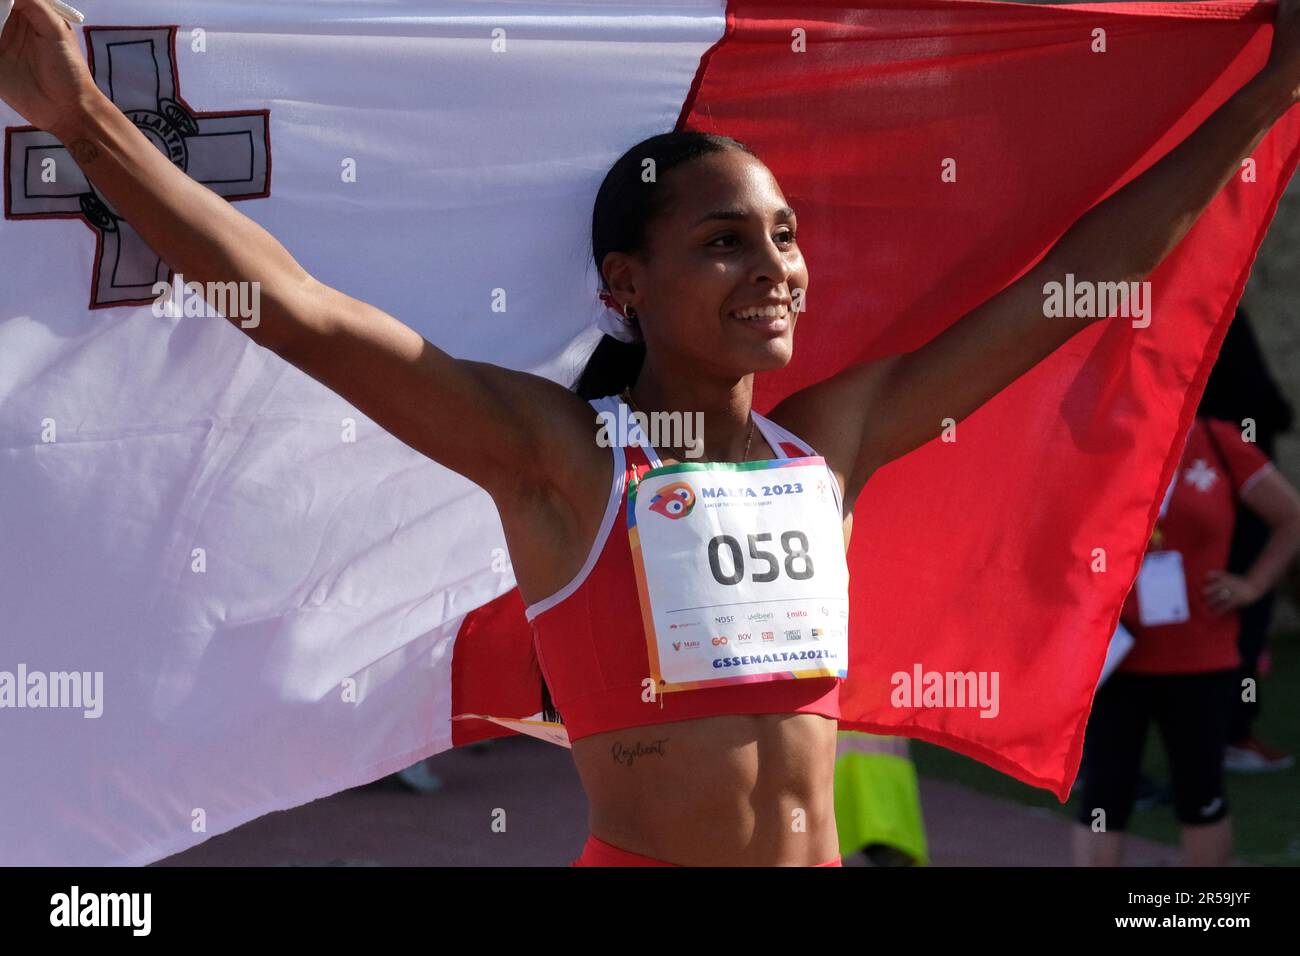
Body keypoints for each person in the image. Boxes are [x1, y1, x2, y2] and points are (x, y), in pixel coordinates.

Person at [4, 0, 1300, 866]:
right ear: (624, 286)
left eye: (787, 236)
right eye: (726, 241)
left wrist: (1263, 97)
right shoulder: (565, 458)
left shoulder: (827, 446)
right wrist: (86, 122)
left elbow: (1065, 292)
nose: (777, 268)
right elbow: (298, 313)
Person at [1072, 415, 1300, 867]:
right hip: (1113, 659)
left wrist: (1253, 584)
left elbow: (1291, 516)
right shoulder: (1098, 440)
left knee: (1201, 794)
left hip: (1202, 658)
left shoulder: (1219, 442)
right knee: (1103, 795)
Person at [1198, 309, 1297, 771]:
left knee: (1235, 602)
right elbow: (1267, 405)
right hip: (1218, 479)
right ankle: (1230, 733)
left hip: (1228, 475)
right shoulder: (1212, 307)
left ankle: (1229, 731)